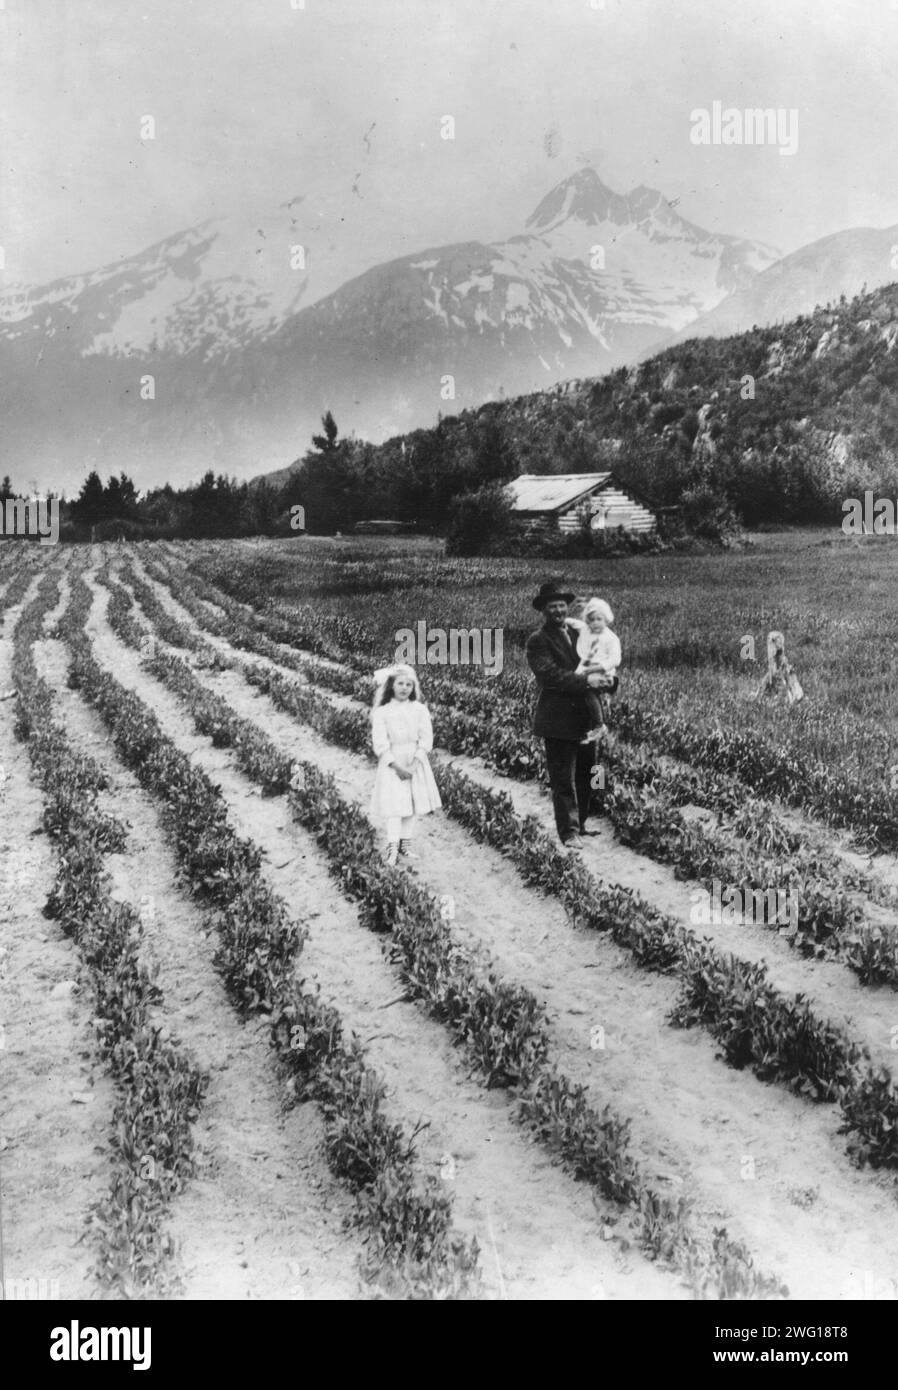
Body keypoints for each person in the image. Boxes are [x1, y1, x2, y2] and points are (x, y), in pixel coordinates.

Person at [525, 580, 609, 847]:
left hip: (584, 716)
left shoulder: (579, 633)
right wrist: (586, 682)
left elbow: (596, 660)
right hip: (557, 718)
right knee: (563, 778)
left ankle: (581, 823)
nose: (558, 610)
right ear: (544, 610)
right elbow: (550, 676)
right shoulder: (538, 640)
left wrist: (607, 680)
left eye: (562, 605)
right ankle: (568, 832)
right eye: (553, 606)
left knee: (587, 771)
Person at [370, 662, 442, 865]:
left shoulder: (419, 710)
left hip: (415, 761)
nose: (404, 688)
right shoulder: (382, 712)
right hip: (392, 763)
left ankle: (405, 845)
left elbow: (426, 740)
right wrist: (397, 767)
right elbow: (380, 744)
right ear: (391, 685)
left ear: (413, 687)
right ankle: (392, 847)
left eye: (408, 685)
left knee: (412, 804)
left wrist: (414, 765)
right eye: (400, 683)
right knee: (395, 807)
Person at [568, 597, 621, 743]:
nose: (596, 623)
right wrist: (562, 621)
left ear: (606, 619)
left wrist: (598, 667)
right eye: (592, 620)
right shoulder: (585, 630)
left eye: (599, 619)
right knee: (576, 687)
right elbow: (573, 622)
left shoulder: (611, 638)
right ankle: (580, 723)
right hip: (586, 669)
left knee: (588, 690)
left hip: (603, 672)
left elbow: (615, 659)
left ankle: (599, 725)